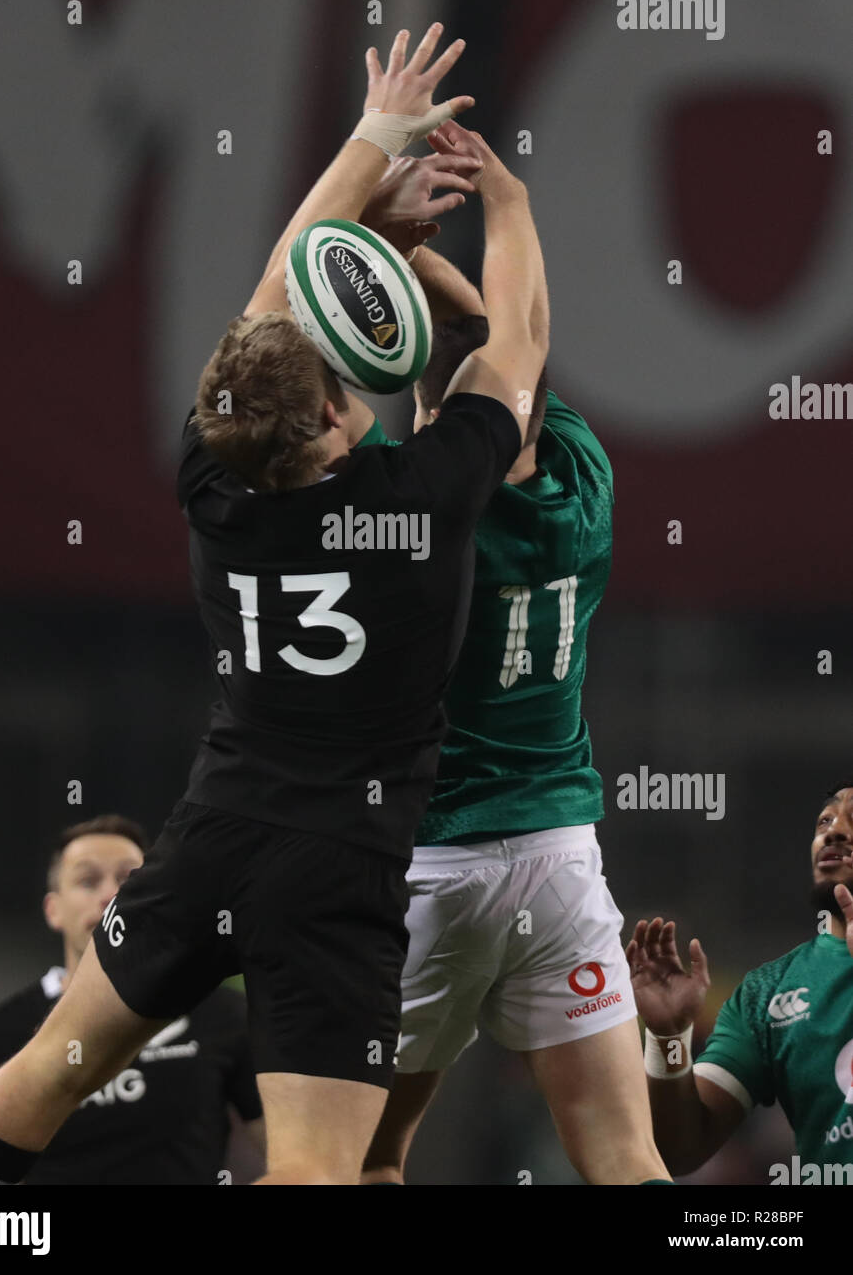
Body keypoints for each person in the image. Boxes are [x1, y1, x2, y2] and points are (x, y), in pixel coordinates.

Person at [0, 23, 548, 1187]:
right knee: (315, 1171)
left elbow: (277, 287)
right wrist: (505, 201)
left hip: (213, 840)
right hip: (340, 871)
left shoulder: (215, 479)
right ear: (327, 417)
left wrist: (374, 144)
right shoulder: (423, 494)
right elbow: (512, 347)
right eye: (334, 369)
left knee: (37, 1078)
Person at [352, 123, 668, 1186]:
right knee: (627, 1159)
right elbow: (511, 331)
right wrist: (510, 204)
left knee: (369, 1155)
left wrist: (369, 238)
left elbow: (477, 354)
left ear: (426, 405)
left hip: (434, 864)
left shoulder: (417, 514)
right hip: (560, 857)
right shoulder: (583, 476)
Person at [0, 816, 262, 1185]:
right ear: (53, 909)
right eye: (88, 881)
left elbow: (296, 1155)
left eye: (128, 879)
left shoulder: (220, 1013)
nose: (110, 895)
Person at [628, 780, 853, 1178]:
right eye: (825, 819)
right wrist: (668, 1039)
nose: (832, 830)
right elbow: (678, 1150)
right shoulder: (767, 992)